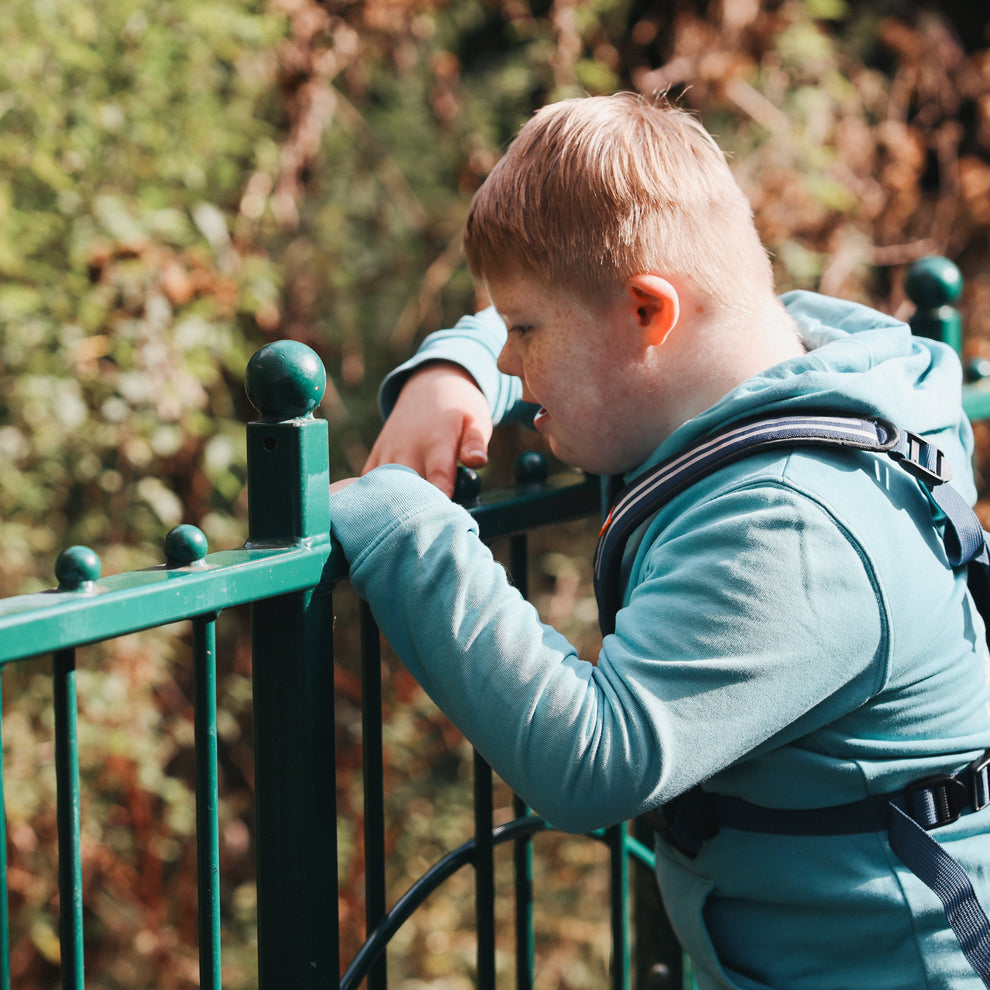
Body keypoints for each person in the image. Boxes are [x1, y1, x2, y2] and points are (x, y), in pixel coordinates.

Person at [327, 93, 990, 989]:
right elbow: (574, 297)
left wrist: (397, 518)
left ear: (649, 313)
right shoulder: (799, 364)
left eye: (525, 331)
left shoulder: (794, 521)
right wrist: (457, 364)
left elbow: (597, 759)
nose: (513, 363)